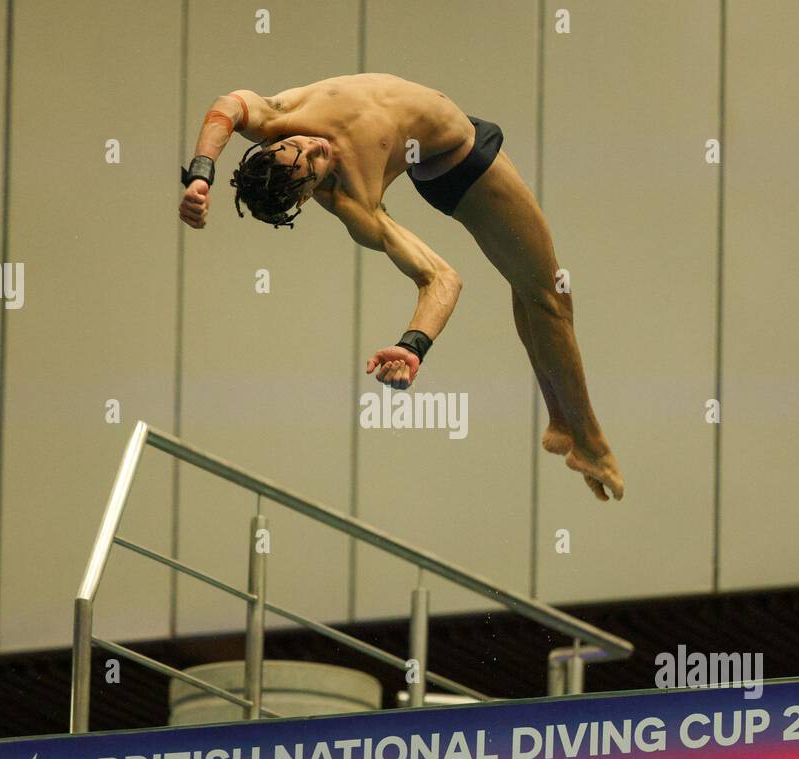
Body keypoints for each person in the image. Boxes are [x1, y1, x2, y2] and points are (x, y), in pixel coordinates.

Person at [178, 73, 623, 502]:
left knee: (531, 288)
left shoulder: (278, 116)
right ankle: (591, 444)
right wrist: (413, 345)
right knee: (551, 297)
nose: (315, 147)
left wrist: (201, 173)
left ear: (273, 143)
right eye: (313, 165)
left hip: (451, 134)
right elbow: (440, 278)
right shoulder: (354, 201)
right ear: (307, 194)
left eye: (299, 147)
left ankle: (564, 421)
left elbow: (226, 105)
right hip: (463, 164)